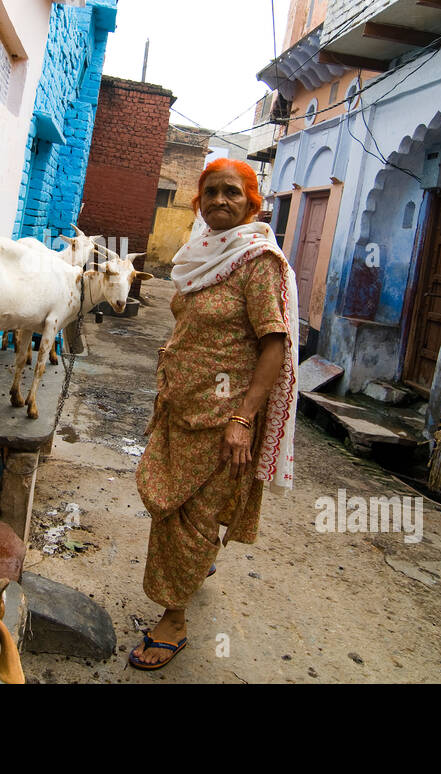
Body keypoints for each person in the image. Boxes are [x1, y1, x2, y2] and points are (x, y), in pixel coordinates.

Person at [129, 159, 299, 670]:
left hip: (224, 418)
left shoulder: (257, 262)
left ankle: (173, 619)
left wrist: (244, 418)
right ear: (198, 201)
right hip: (182, 405)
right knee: (172, 500)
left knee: (187, 515)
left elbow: (274, 344)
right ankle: (194, 569)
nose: (220, 202)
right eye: (210, 193)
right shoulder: (202, 255)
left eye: (232, 193)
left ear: (253, 202)